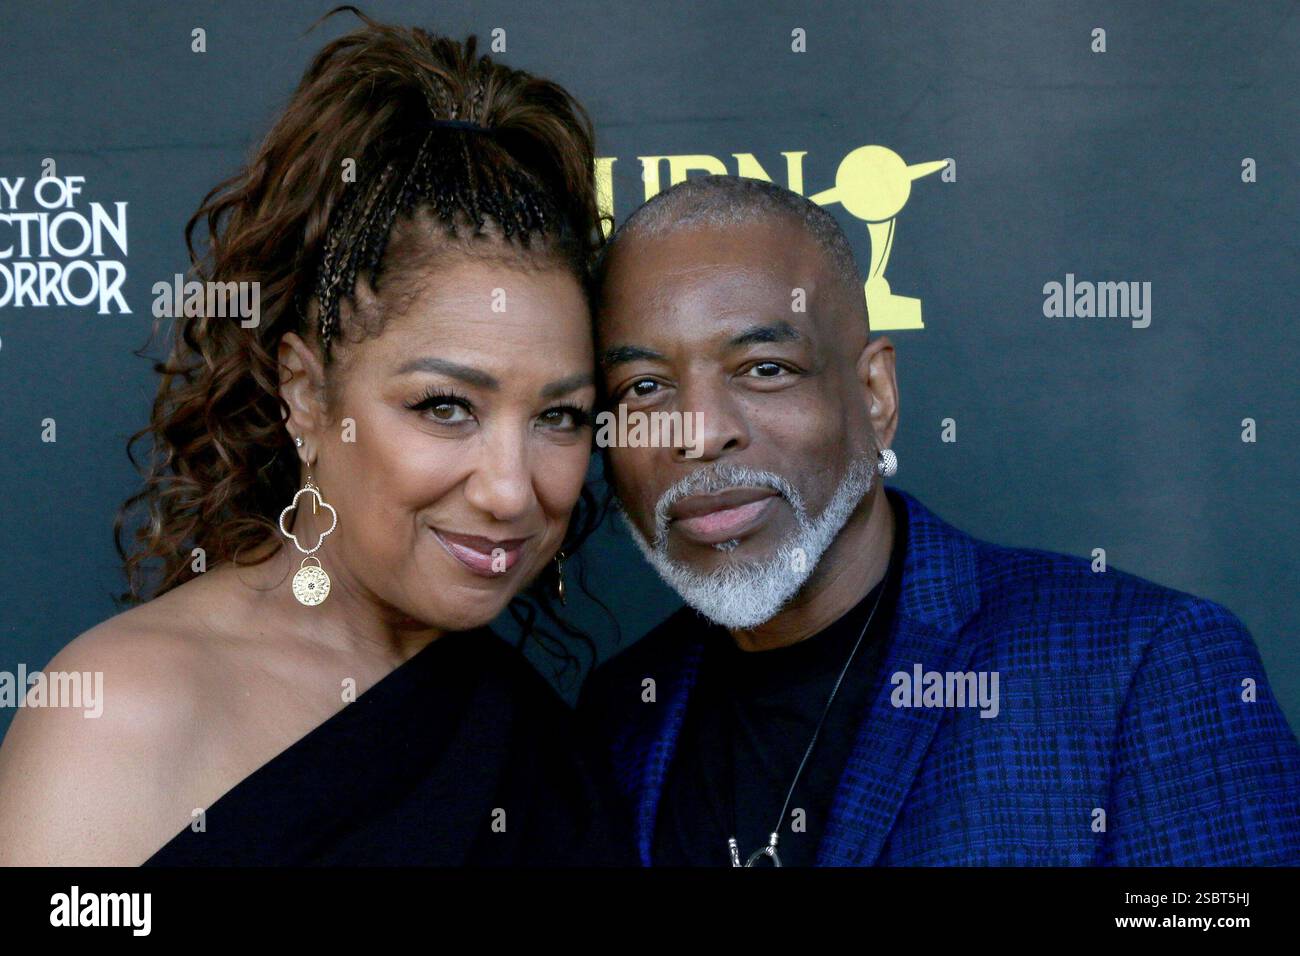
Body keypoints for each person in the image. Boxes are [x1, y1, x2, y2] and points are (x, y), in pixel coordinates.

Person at [0, 10, 631, 866]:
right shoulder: (120, 714)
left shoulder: (558, 754)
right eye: (445, 406)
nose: (512, 489)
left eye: (560, 416)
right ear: (305, 393)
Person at [578, 174, 1300, 867]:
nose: (699, 434)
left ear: (875, 396)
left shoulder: (1144, 667)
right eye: (643, 387)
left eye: (765, 368)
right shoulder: (619, 715)